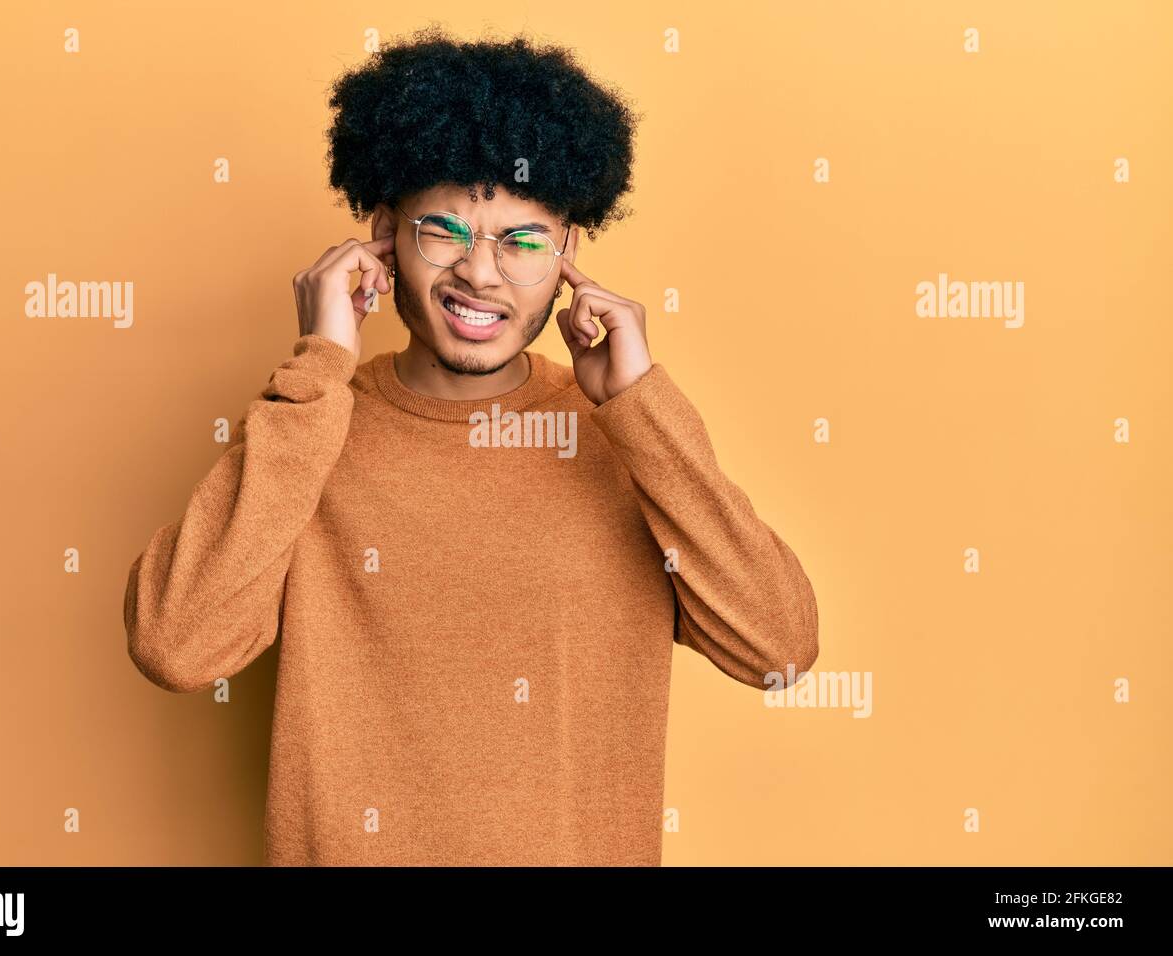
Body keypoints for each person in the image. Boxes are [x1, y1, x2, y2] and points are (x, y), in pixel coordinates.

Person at [123, 25, 819, 866]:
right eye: (443, 232)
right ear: (381, 234)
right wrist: (318, 370)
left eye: (522, 240)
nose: (481, 274)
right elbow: (177, 644)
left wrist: (639, 410)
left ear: (567, 252)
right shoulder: (308, 428)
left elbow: (779, 650)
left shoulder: (621, 440)